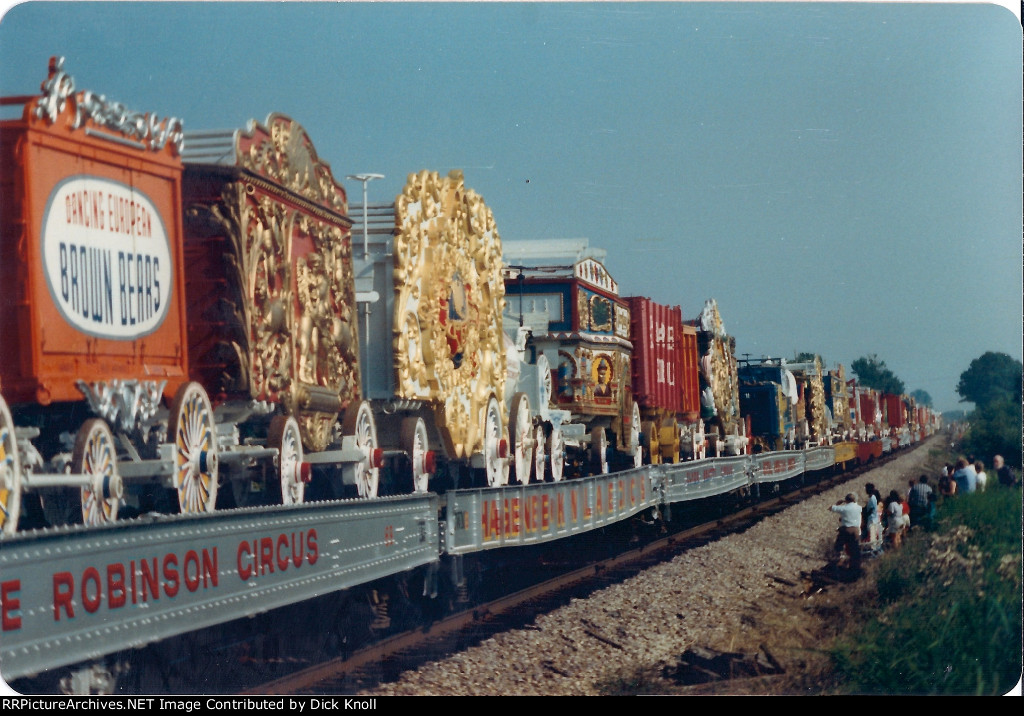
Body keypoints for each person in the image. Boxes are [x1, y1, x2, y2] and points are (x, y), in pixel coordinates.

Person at [830, 493, 862, 571]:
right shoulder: (859, 508)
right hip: (856, 531)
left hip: (846, 530)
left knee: (838, 545)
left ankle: (841, 559)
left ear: (846, 500)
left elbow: (831, 508)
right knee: (854, 548)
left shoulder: (844, 508)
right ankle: (854, 565)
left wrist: (839, 503)